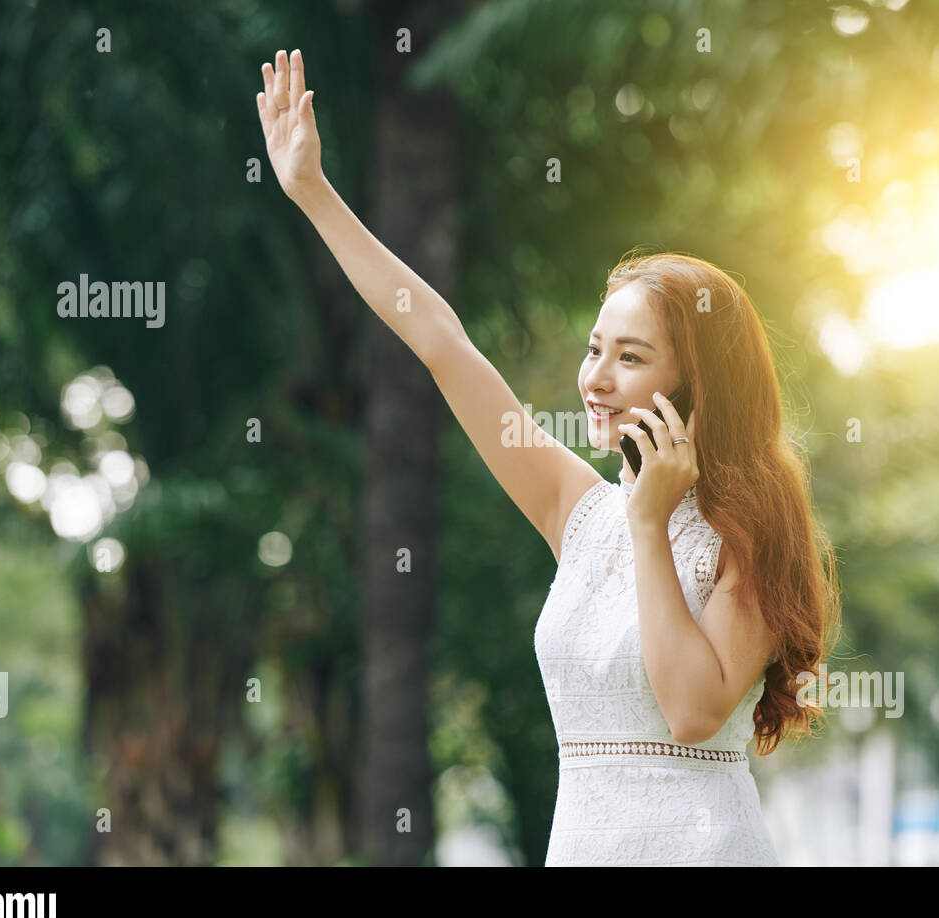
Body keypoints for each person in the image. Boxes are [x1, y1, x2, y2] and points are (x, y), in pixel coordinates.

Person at [257, 49, 841, 866]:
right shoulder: (580, 510)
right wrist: (313, 193)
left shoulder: (748, 534)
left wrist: (647, 523)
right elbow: (442, 344)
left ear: (696, 383)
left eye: (631, 358)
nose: (595, 378)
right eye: (595, 347)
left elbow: (690, 710)